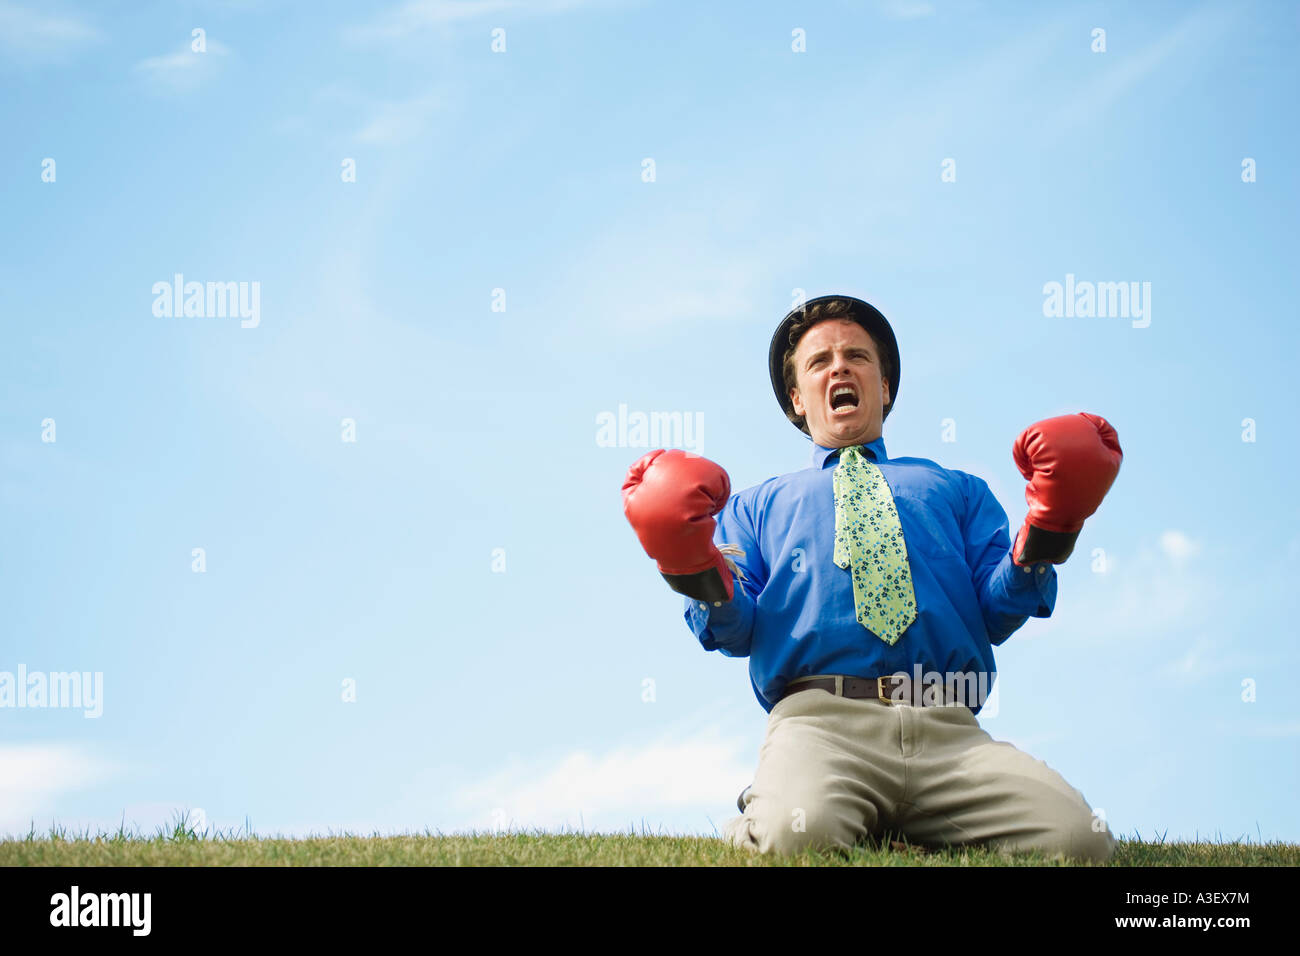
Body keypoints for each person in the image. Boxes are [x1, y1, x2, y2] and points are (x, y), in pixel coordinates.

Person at [622, 294, 1123, 862]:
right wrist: (688, 564)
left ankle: (879, 821)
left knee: (1082, 843)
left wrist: (1050, 529)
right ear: (797, 399)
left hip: (949, 729)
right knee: (792, 840)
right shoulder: (754, 507)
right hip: (820, 726)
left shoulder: (957, 490)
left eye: (857, 356)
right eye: (819, 362)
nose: (839, 367)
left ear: (885, 387)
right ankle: (772, 807)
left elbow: (998, 608)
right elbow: (736, 631)